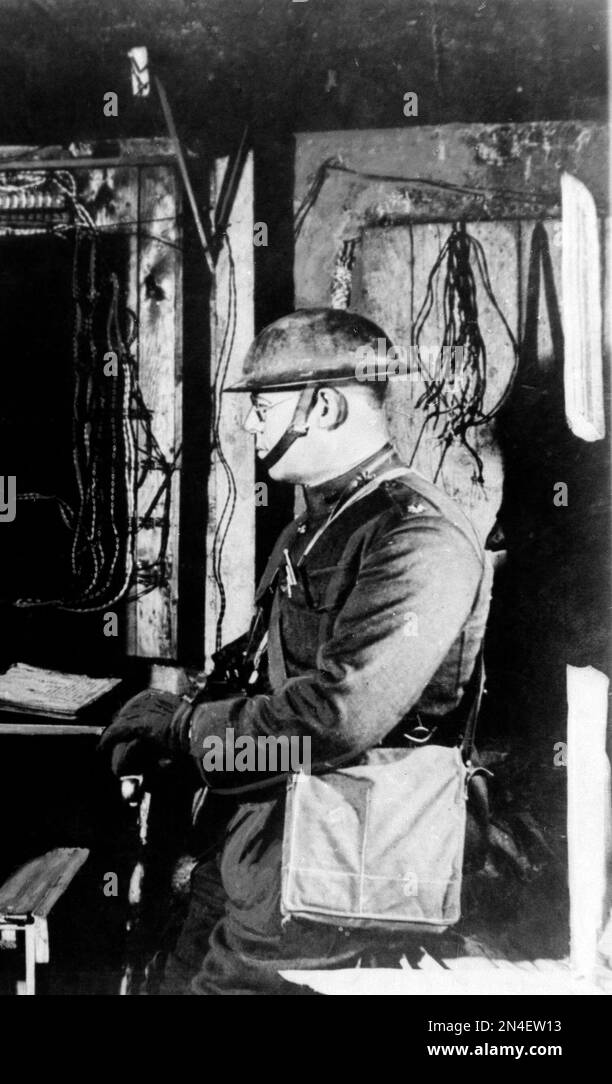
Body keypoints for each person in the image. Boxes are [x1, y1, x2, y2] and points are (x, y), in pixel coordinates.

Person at [99, 308, 492, 994]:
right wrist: (179, 708)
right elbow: (262, 666)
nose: (249, 426)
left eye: (262, 406)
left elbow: (330, 726)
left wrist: (187, 730)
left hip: (341, 870)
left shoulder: (416, 538)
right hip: (260, 840)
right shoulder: (320, 525)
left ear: (326, 404)